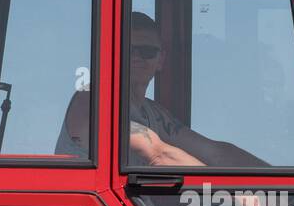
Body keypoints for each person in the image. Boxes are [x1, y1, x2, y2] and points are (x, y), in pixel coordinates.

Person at [57, 12, 267, 168]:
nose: (137, 57)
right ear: (112, 53)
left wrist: (285, 184)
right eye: (128, 50)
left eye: (147, 51)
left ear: (161, 60)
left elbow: (214, 152)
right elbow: (158, 155)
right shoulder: (92, 99)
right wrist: (234, 191)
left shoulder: (153, 114)